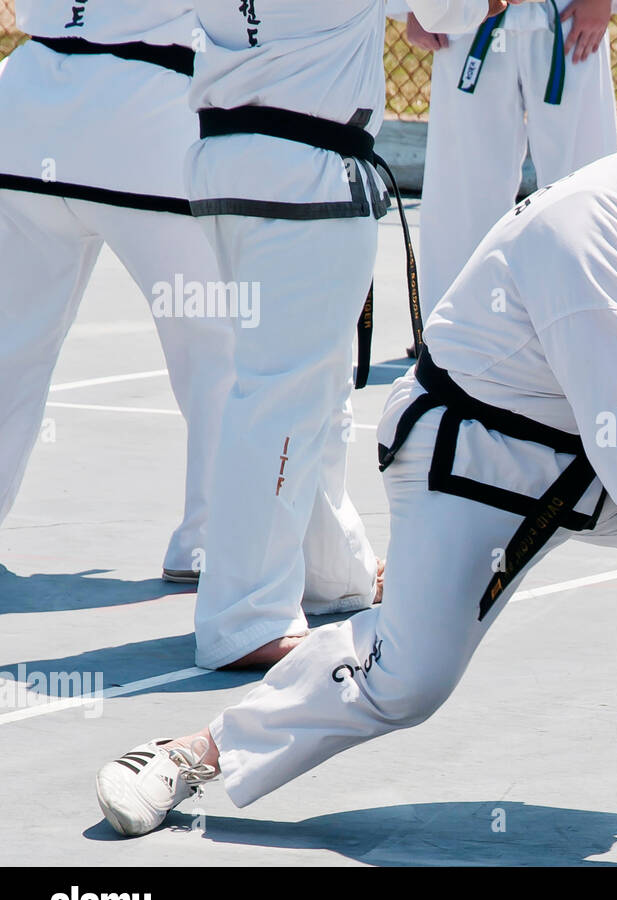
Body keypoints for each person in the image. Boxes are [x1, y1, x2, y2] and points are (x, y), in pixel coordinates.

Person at [94, 60, 617, 837]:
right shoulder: (594, 235)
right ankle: (189, 752)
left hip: (589, 460)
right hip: (473, 458)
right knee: (409, 679)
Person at [182, 0, 499, 670]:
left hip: (226, 162)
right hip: (304, 173)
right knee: (284, 395)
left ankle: (332, 575)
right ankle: (245, 617)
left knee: (309, 390)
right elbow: (453, 9)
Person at [0, 0, 234, 583]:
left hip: (27, 108)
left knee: (7, 349)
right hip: (149, 118)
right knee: (219, 354)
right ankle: (213, 543)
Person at [396, 0, 617, 353]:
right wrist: (420, 5)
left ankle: (595, 326)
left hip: (569, 14)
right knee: (462, 184)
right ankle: (454, 334)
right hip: (467, 15)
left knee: (585, 177)